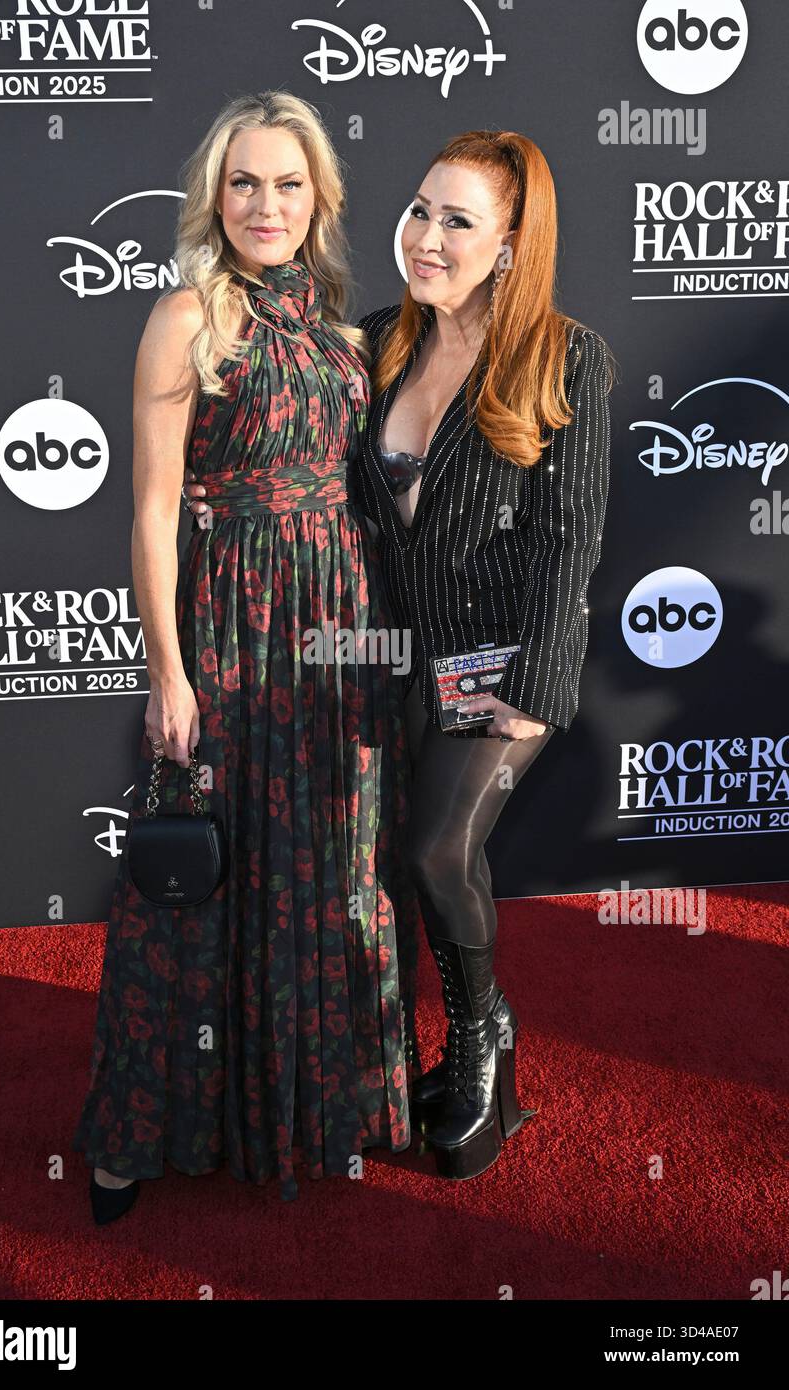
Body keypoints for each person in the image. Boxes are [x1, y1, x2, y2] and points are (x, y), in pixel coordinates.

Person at [187, 128, 614, 1182]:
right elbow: (312, 473)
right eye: (421, 210)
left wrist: (532, 688)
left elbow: (570, 538)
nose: (426, 237)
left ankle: (480, 1047)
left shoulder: (567, 356)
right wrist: (228, 492)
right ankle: (425, 1045)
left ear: (510, 246)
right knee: (381, 865)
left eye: (458, 221)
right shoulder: (376, 339)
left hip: (504, 660)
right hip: (386, 657)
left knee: (434, 851)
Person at [73, 90, 422, 1220]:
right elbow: (153, 507)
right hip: (232, 623)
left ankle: (308, 1107)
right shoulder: (187, 318)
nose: (265, 204)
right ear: (213, 198)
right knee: (201, 890)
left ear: (319, 194)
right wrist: (167, 671)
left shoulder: (343, 327)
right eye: (244, 183)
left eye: (287, 183)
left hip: (340, 632)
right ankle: (136, 1135)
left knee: (327, 872)